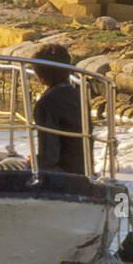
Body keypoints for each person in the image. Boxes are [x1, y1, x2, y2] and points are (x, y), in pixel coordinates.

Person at [29, 44, 88, 176]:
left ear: (39, 76)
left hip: (60, 176)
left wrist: (33, 161)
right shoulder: (80, 96)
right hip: (82, 171)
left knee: (6, 164)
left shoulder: (45, 103)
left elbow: (49, 157)